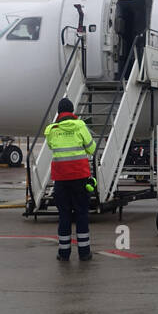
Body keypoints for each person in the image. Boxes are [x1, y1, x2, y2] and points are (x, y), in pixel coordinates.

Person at [44, 98, 97, 260]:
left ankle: (64, 253)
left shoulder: (51, 130)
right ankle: (84, 252)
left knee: (64, 215)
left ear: (59, 113)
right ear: (72, 111)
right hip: (80, 178)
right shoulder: (80, 126)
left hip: (61, 180)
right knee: (81, 214)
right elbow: (92, 149)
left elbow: (52, 146)